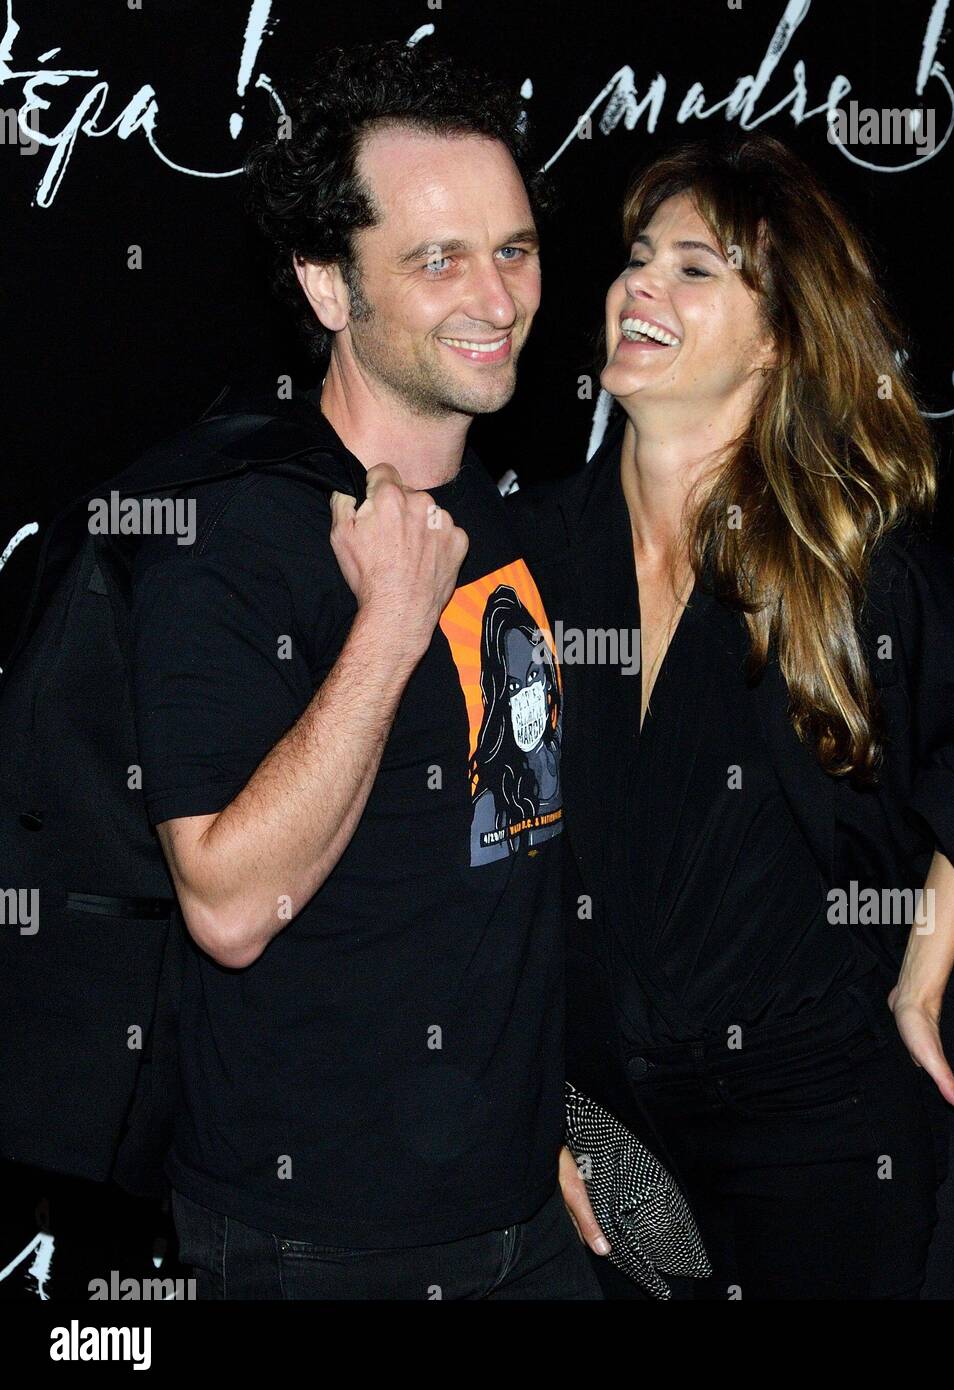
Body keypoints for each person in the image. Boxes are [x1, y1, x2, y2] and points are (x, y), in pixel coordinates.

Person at [528, 135, 954, 1299]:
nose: (641, 286)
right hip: (614, 1122)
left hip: (822, 1124)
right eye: (636, 258)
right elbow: (486, 863)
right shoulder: (530, 559)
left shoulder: (850, 570)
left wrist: (920, 983)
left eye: (695, 269)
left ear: (775, 338)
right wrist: (539, 1106)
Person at [127, 40, 600, 1300]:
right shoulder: (231, 535)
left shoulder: (499, 510)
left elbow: (502, 856)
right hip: (320, 1249)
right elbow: (227, 907)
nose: (495, 299)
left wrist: (536, 1133)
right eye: (436, 259)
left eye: (513, 248)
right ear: (329, 287)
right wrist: (390, 624)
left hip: (518, 1219)